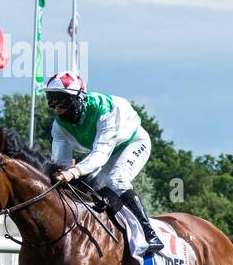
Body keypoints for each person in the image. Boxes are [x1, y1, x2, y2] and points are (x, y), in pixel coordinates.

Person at [44, 70, 163, 254]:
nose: (57, 108)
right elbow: (61, 164)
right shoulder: (59, 127)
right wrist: (63, 174)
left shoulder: (104, 109)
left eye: (62, 101)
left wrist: (73, 172)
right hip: (106, 152)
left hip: (132, 143)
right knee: (84, 187)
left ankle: (150, 234)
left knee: (117, 180)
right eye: (52, 100)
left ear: (79, 99)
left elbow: (100, 155)